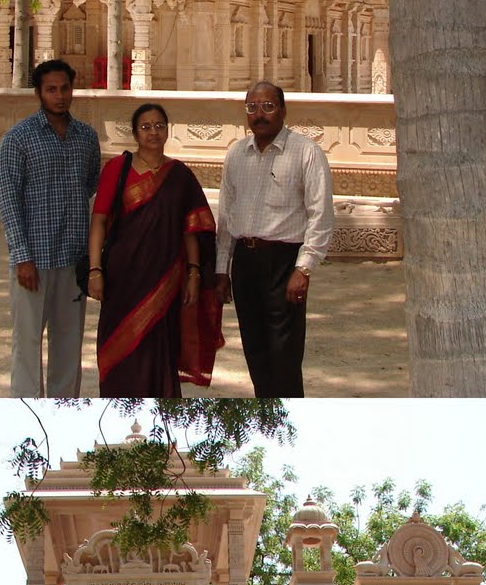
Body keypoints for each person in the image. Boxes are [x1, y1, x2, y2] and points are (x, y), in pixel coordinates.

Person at [87, 102, 223, 396]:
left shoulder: (179, 175)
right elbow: (98, 222)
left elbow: (192, 228)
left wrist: (194, 273)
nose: (153, 132)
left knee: (158, 345)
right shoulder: (117, 168)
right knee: (117, 345)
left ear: (168, 130)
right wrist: (95, 270)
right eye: (146, 127)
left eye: (159, 126)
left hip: (165, 279)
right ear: (135, 132)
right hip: (122, 277)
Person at [215, 82, 333, 397]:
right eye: (252, 107)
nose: (259, 114)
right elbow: (226, 216)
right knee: (255, 351)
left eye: (267, 106)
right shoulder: (237, 154)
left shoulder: (305, 152)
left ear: (283, 110)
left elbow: (320, 215)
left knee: (285, 356)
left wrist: (303, 268)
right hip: (245, 262)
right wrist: (221, 270)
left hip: (284, 263)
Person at [0, 60, 101, 397]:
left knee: (68, 346)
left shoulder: (86, 137)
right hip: (33, 263)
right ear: (38, 93)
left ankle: (64, 404)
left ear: (73, 88)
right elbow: (8, 202)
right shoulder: (17, 139)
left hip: (72, 259)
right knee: (27, 345)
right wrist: (22, 258)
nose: (59, 96)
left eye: (65, 88)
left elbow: (90, 186)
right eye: (51, 89)